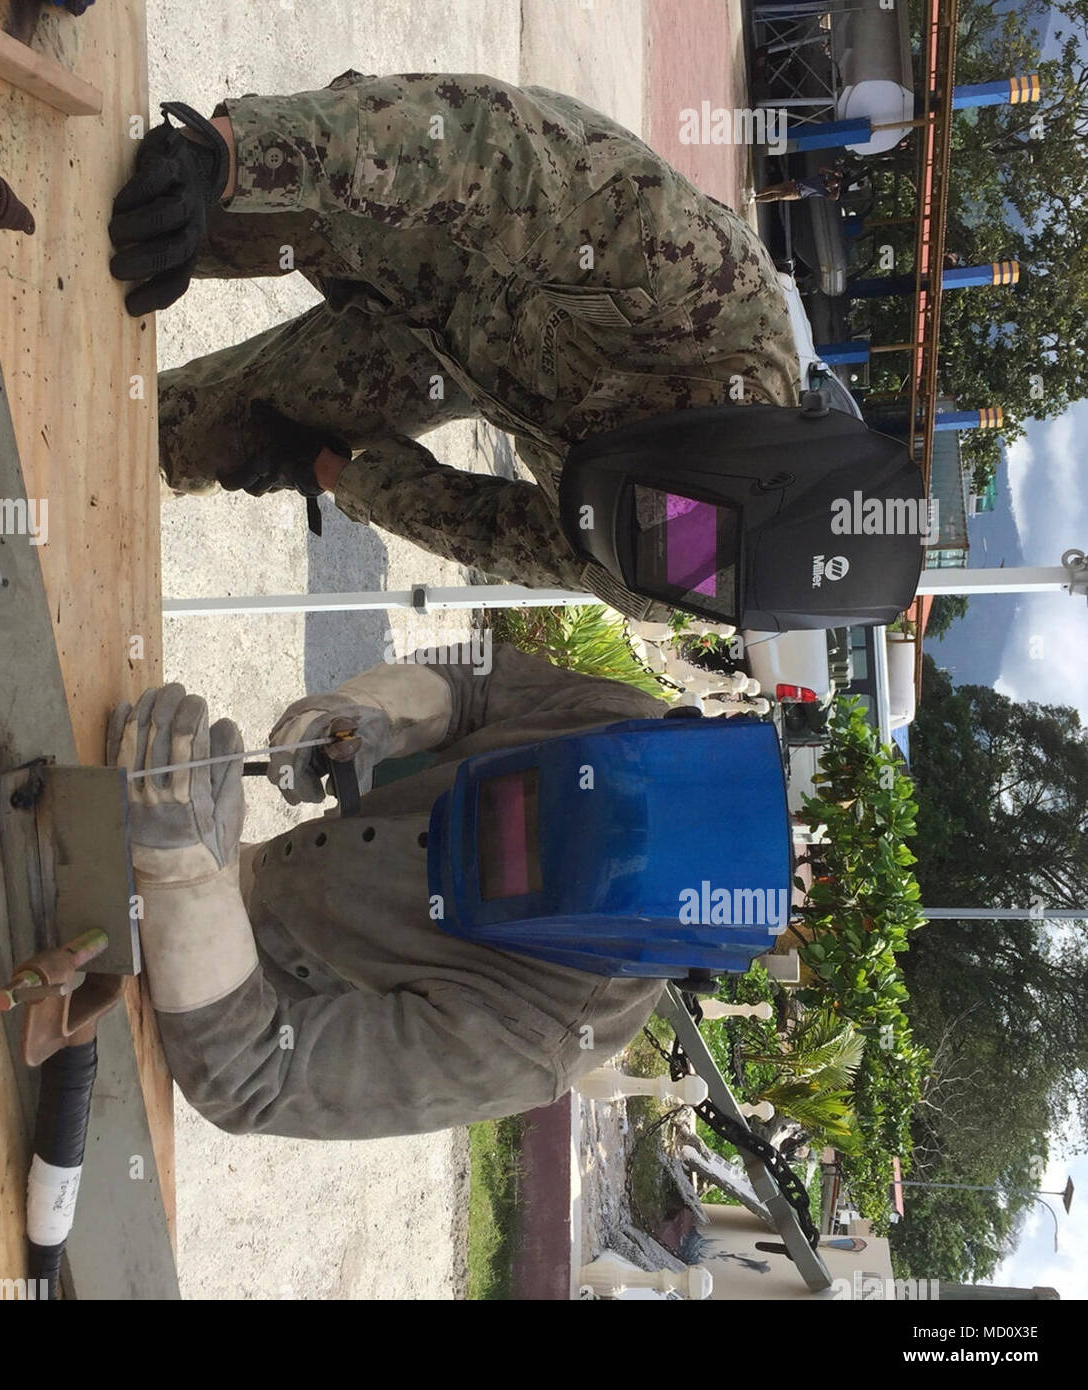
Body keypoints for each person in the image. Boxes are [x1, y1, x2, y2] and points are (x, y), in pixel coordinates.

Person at [107, 72, 801, 621]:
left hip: (466, 367)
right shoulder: (712, 295)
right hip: (438, 206)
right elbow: (497, 150)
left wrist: (325, 468)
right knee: (156, 211)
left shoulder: (675, 571)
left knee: (200, 436)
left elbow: (488, 528)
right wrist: (229, 157)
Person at [108, 643, 676, 1139]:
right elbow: (475, 681)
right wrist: (372, 711)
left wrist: (183, 879)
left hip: (157, 1003)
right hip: (219, 872)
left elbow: (254, 1079)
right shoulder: (631, 729)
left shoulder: (541, 1036)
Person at [748, 166, 842, 205]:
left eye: (834, 184)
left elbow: (834, 198)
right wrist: (833, 172)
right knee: (774, 188)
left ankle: (755, 199)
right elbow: (821, 168)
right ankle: (756, 193)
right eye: (833, 180)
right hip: (795, 184)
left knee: (778, 196)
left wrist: (838, 187)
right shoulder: (823, 177)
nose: (832, 182)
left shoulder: (824, 191)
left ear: (833, 187)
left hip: (798, 194)